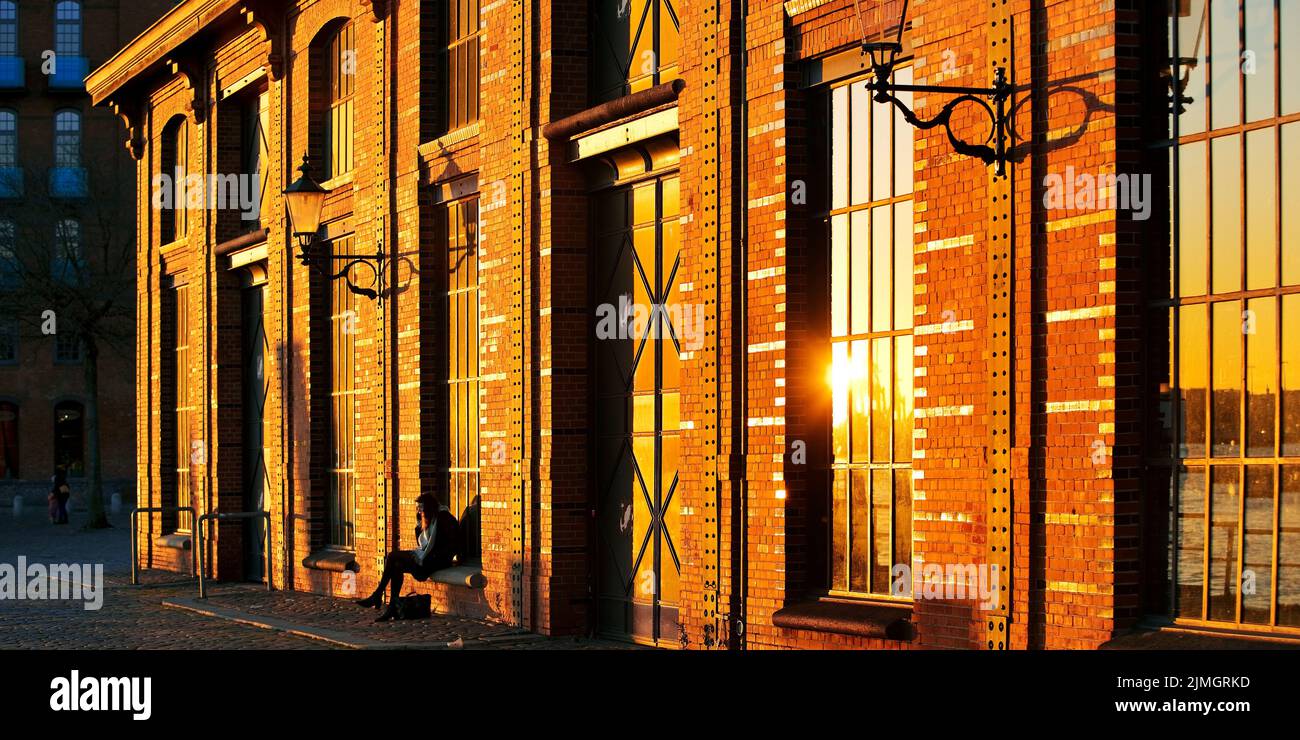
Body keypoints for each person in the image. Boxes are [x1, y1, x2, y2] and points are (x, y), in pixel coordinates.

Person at [355, 493, 459, 621]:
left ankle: (377, 596)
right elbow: (422, 544)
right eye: (417, 508)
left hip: (436, 561)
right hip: (427, 558)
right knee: (396, 566)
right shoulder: (429, 519)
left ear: (429, 507)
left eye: (420, 508)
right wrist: (419, 524)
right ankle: (391, 607)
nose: (418, 511)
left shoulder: (444, 518)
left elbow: (451, 546)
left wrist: (429, 557)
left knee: (393, 556)